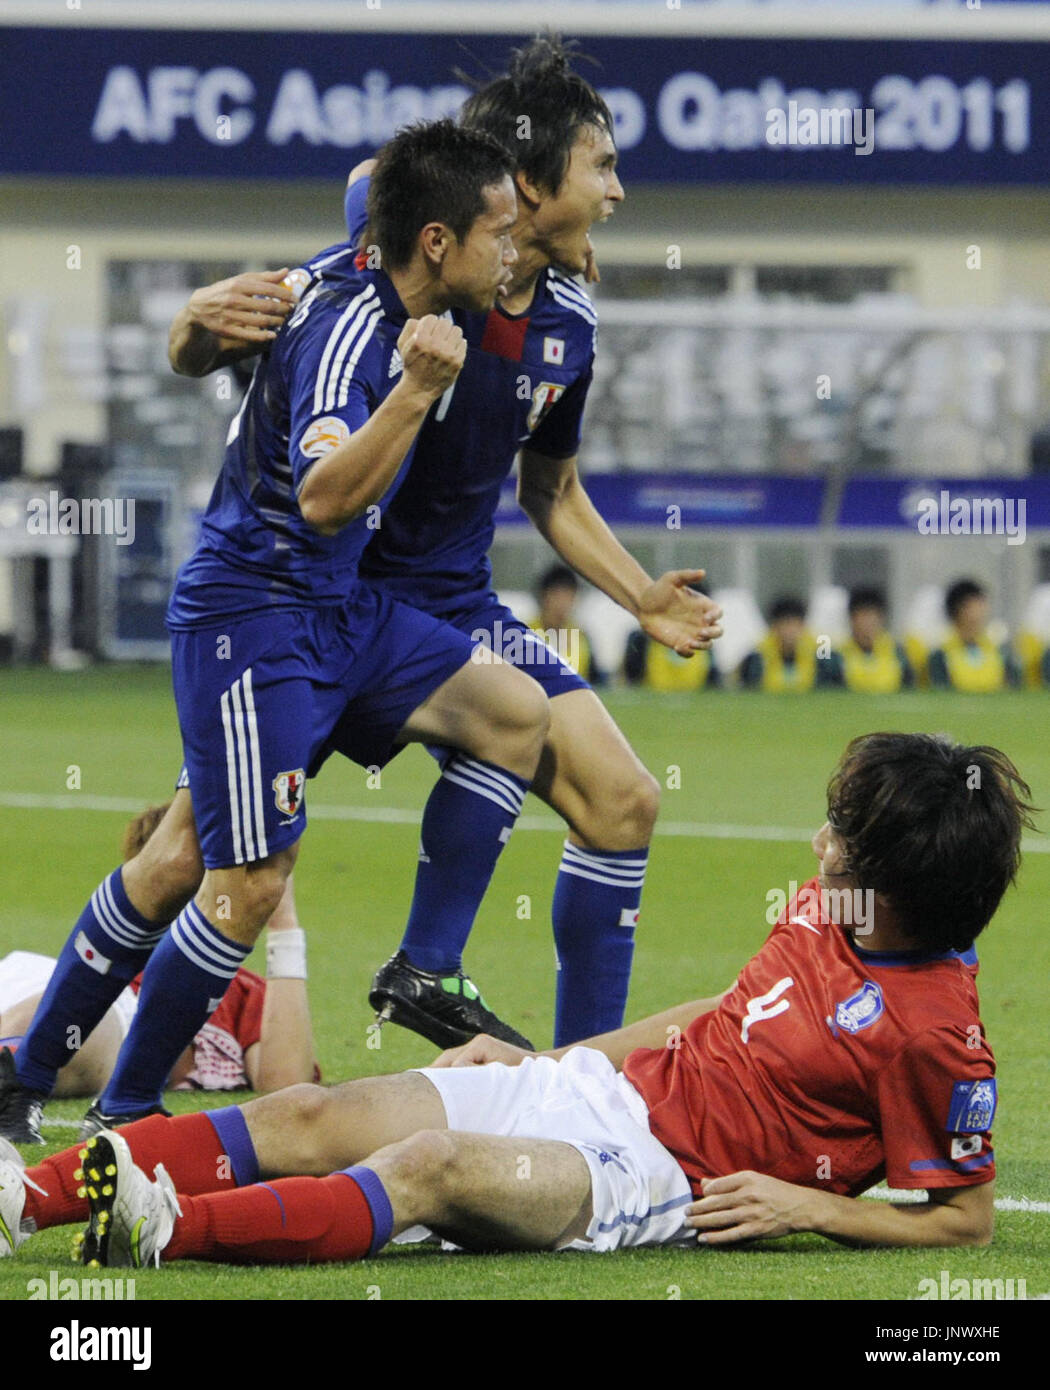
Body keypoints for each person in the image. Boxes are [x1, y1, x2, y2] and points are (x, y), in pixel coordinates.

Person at [138, 35, 723, 1059]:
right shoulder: (395, 263)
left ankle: (587, 1088)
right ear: (527, 185)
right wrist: (189, 327)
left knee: (625, 797)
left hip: (455, 605)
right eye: (605, 165)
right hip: (323, 604)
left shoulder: (572, 320)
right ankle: (41, 1049)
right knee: (183, 857)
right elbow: (373, 184)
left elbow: (553, 488)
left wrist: (640, 596)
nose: (622, 193)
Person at [0, 120, 556, 1146]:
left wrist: (197, 326)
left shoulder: (374, 247)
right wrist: (418, 388)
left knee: (518, 715)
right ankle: (120, 1117)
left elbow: (361, 194)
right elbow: (323, 496)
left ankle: (424, 968)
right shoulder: (360, 331)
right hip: (259, 615)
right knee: (239, 879)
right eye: (501, 231)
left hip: (346, 611)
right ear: (437, 239)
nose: (515, 249)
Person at [1, 732, 1026, 1267]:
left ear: (896, 886)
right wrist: (544, 1060)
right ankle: (28, 1196)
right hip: (599, 1092)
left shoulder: (937, 1035)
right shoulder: (830, 906)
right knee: (309, 1111)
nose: (819, 845)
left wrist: (807, 1205)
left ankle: (162, 1229)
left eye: (840, 836)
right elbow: (721, 1009)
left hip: (658, 1178)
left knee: (429, 1168)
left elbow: (964, 1222)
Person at [0, 805, 317, 1102]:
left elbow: (286, 1089)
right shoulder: (124, 953)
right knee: (85, 1020)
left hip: (84, 1014)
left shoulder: (244, 991)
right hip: (57, 987)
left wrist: (282, 923)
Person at [928, 579, 1021, 692]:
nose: (983, 611)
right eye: (974, 605)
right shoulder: (941, 654)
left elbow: (1014, 685)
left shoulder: (999, 649)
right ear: (959, 608)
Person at [825, 587, 914, 693]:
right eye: (862, 617)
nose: (867, 624)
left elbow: (909, 688)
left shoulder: (899, 653)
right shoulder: (835, 656)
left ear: (882, 619)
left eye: (872, 617)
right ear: (852, 619)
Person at [738, 596, 833, 692]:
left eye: (795, 625)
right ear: (774, 627)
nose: (790, 631)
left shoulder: (821, 652)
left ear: (803, 626)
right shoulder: (757, 655)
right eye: (785, 625)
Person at [526, 563, 601, 684]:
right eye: (557, 595)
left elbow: (596, 681)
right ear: (544, 596)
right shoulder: (524, 634)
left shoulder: (582, 636)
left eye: (569, 596)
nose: (563, 603)